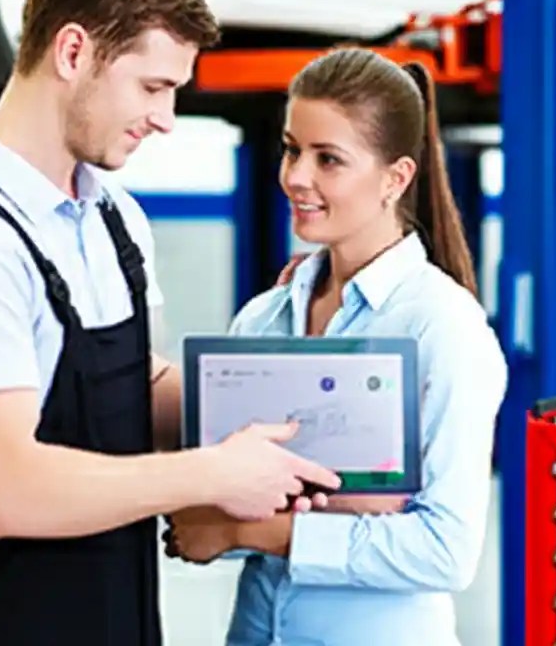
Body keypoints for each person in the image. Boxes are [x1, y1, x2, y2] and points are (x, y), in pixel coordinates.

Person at [0, 0, 339, 644]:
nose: (165, 118)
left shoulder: (114, 217)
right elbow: (4, 488)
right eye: (153, 86)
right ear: (72, 52)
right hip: (2, 622)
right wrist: (213, 473)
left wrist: (297, 397)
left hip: (118, 613)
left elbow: (128, 385)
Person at [165, 47, 509, 646]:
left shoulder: (441, 328)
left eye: (330, 160)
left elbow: (445, 550)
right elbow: (203, 524)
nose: (297, 177)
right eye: (293, 149)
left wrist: (259, 530)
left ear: (395, 178)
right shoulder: (263, 321)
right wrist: (344, 507)